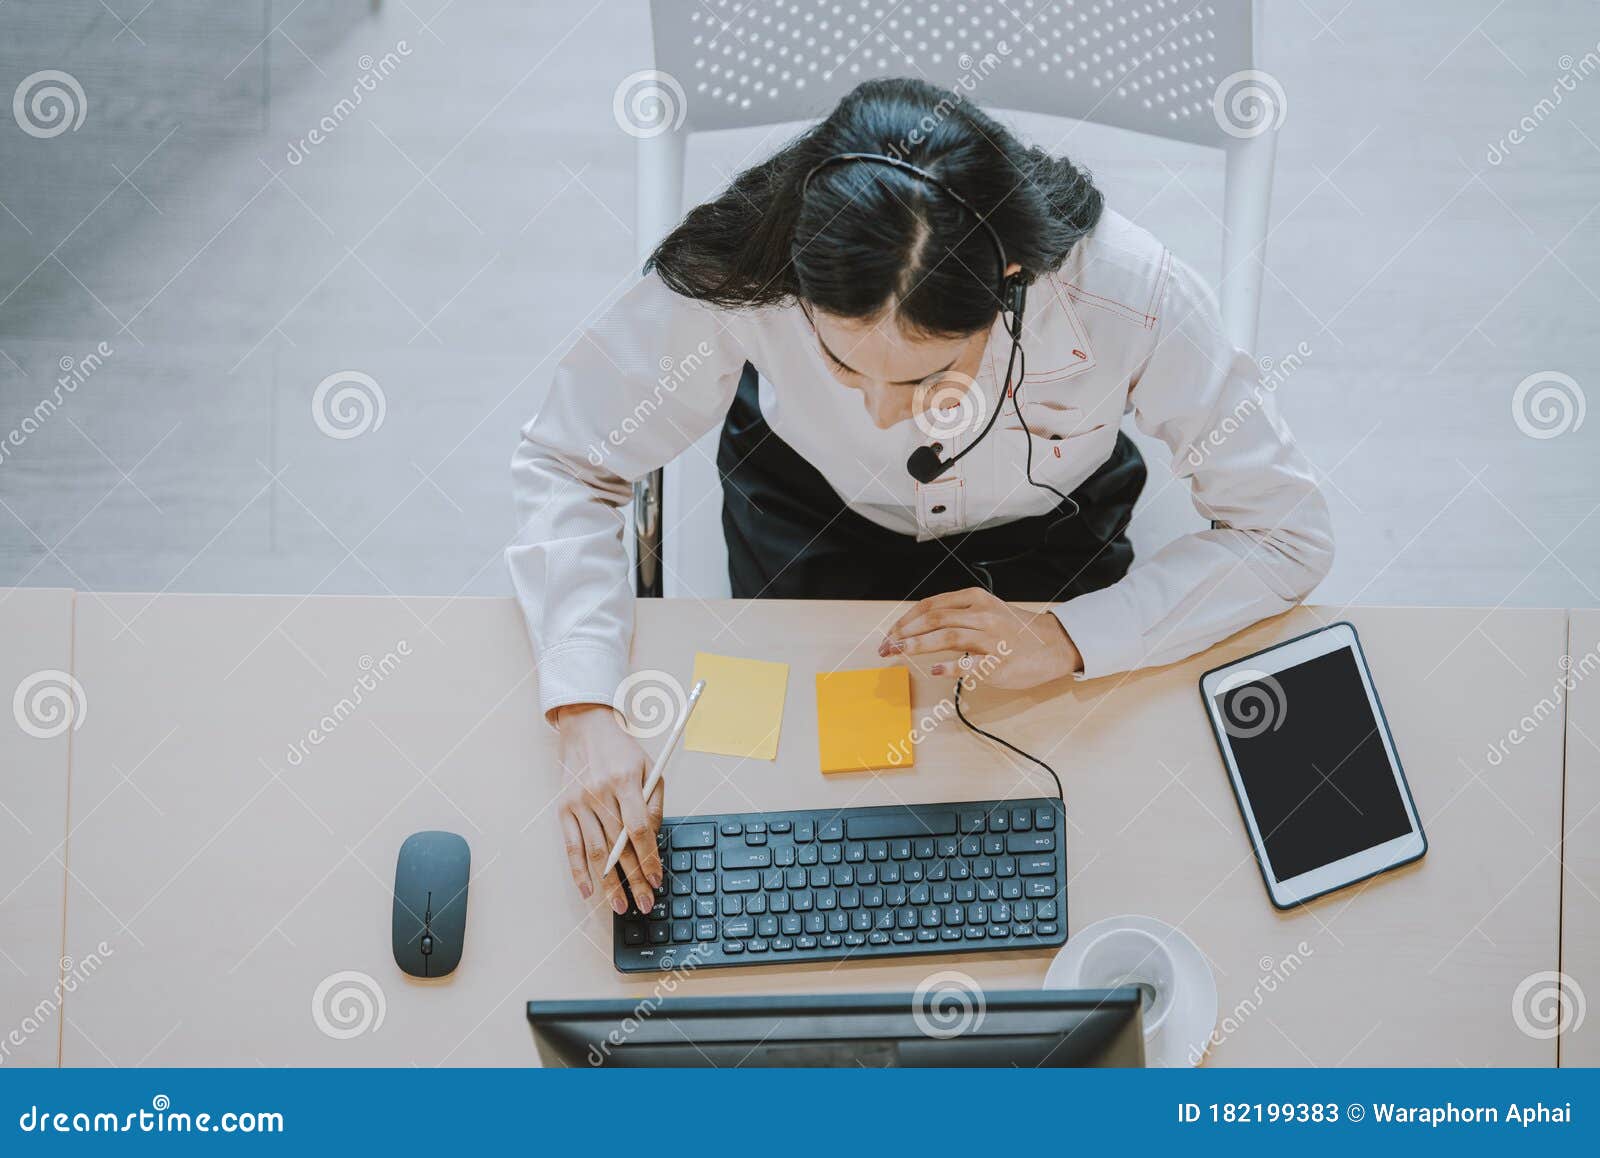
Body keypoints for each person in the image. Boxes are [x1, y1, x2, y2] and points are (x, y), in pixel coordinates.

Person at [508, 78, 1333, 916]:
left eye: (930, 376)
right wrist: (582, 706)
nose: (880, 414)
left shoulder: (1129, 293)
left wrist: (1070, 638)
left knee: (1065, 822)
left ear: (1011, 282)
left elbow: (1287, 535)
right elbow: (567, 461)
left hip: (1046, 541)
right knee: (790, 810)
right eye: (839, 366)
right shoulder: (752, 261)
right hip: (808, 514)